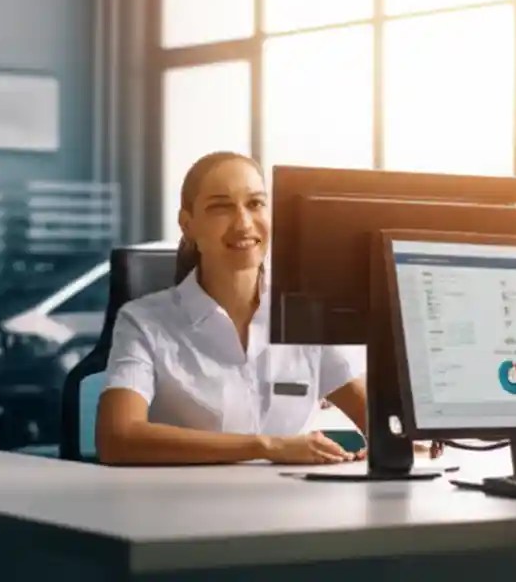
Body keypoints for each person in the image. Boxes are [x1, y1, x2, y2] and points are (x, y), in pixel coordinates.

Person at [96, 152, 375, 465]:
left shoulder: (306, 313)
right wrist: (264, 446)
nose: (243, 223)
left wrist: (404, 441)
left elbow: (380, 422)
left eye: (255, 204)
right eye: (221, 207)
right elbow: (117, 438)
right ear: (187, 225)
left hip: (293, 507)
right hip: (186, 508)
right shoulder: (144, 322)